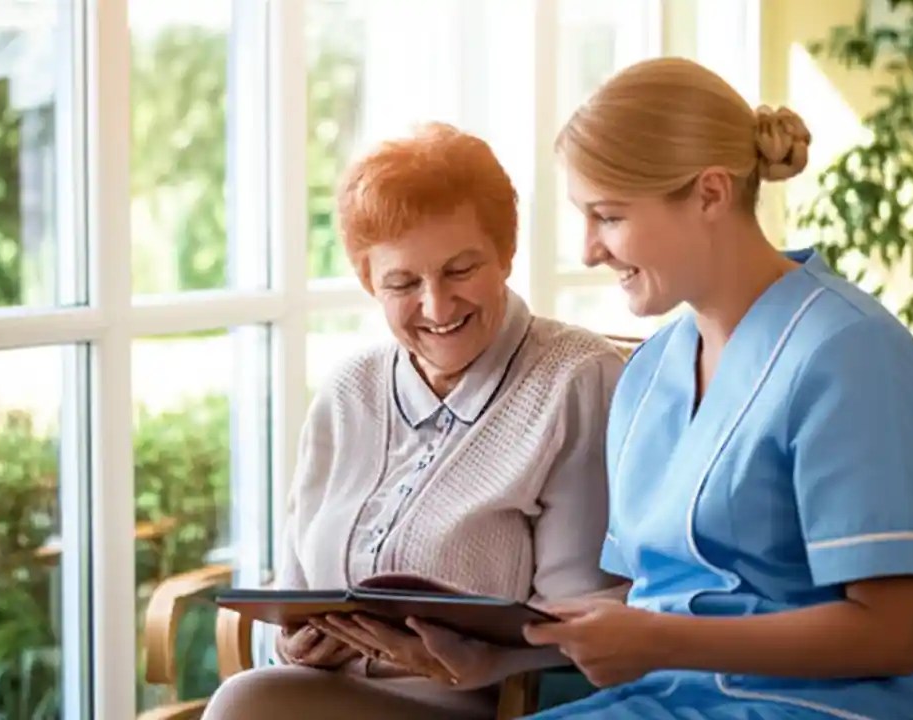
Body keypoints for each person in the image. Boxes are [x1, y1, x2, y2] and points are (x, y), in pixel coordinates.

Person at [520, 57, 913, 719]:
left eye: (607, 216)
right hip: (664, 705)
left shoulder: (850, 353)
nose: (588, 251)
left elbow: (890, 634)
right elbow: (652, 605)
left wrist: (659, 640)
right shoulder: (650, 370)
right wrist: (494, 651)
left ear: (711, 194)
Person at [203, 122, 626, 720]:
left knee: (247, 703)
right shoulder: (349, 391)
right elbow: (292, 591)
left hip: (475, 704)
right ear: (369, 282)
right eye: (402, 282)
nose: (436, 306)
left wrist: (483, 660)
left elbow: (585, 623)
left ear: (505, 255)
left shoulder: (575, 380)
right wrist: (291, 640)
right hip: (321, 691)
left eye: (460, 270)